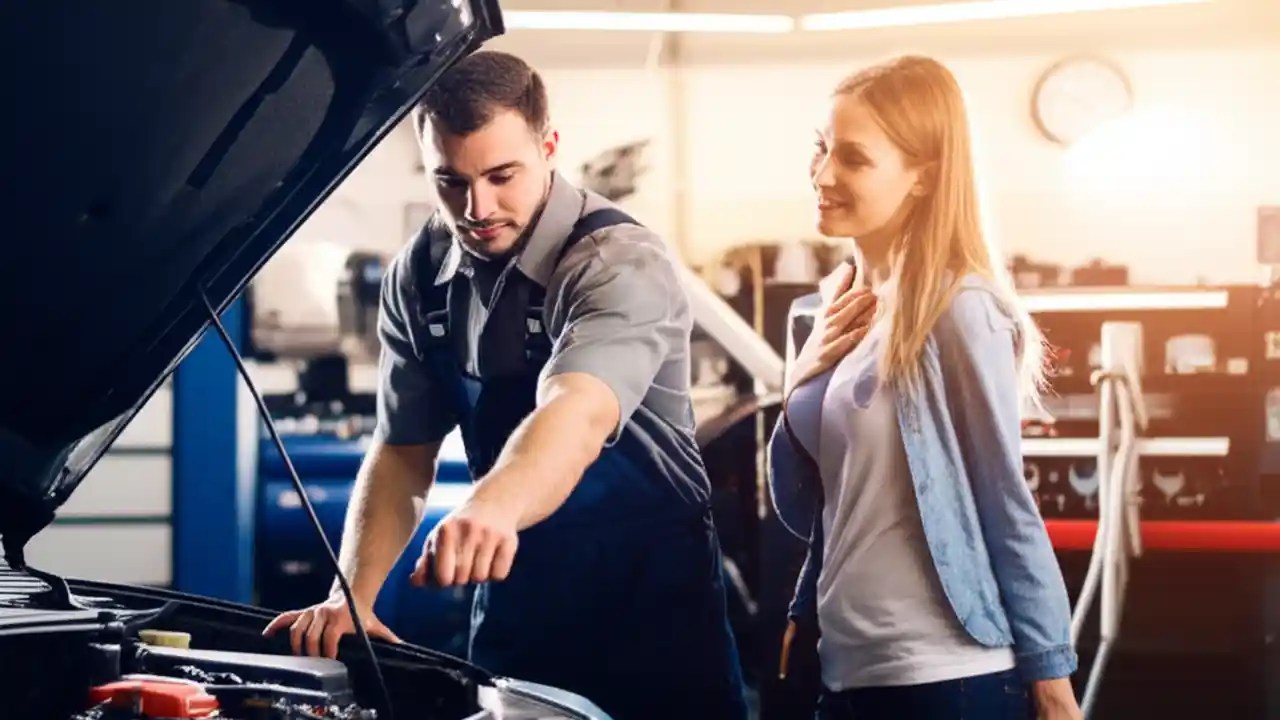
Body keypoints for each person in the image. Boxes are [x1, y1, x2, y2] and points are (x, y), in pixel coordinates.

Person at [263, 50, 747, 720]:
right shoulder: (420, 274)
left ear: (548, 147)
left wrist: (490, 507)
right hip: (520, 604)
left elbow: (577, 410)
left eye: (501, 176)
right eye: (451, 181)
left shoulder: (615, 263)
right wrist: (354, 596)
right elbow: (403, 449)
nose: (477, 208)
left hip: (653, 612)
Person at [769, 56, 1083, 720]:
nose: (823, 175)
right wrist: (804, 605)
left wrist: (1052, 681)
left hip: (948, 676)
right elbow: (825, 499)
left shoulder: (958, 309)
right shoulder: (830, 312)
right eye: (822, 148)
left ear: (924, 176)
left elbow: (1005, 500)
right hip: (846, 670)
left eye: (853, 158)